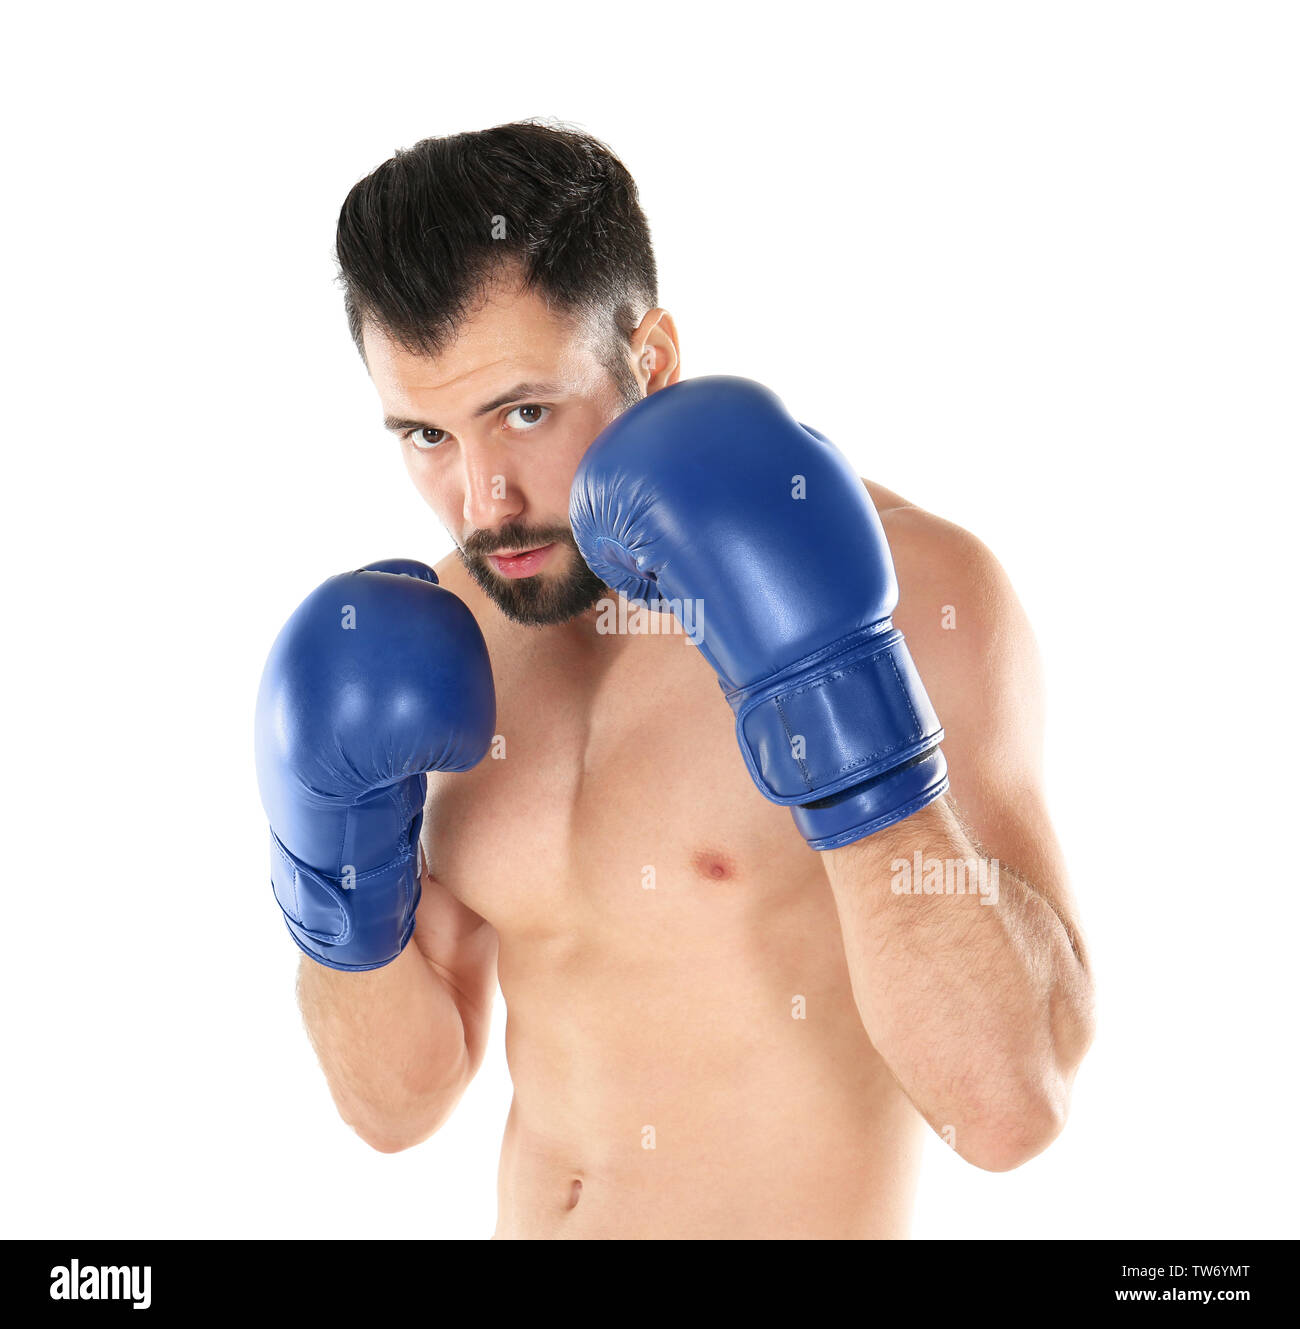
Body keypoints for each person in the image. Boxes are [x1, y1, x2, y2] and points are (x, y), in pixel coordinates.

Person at [255, 121, 1094, 1239]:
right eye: (425, 435)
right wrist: (330, 874)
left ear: (647, 359)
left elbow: (1011, 1108)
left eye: (522, 412)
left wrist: (842, 702)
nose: (482, 499)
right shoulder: (445, 636)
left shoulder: (911, 590)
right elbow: (394, 1108)